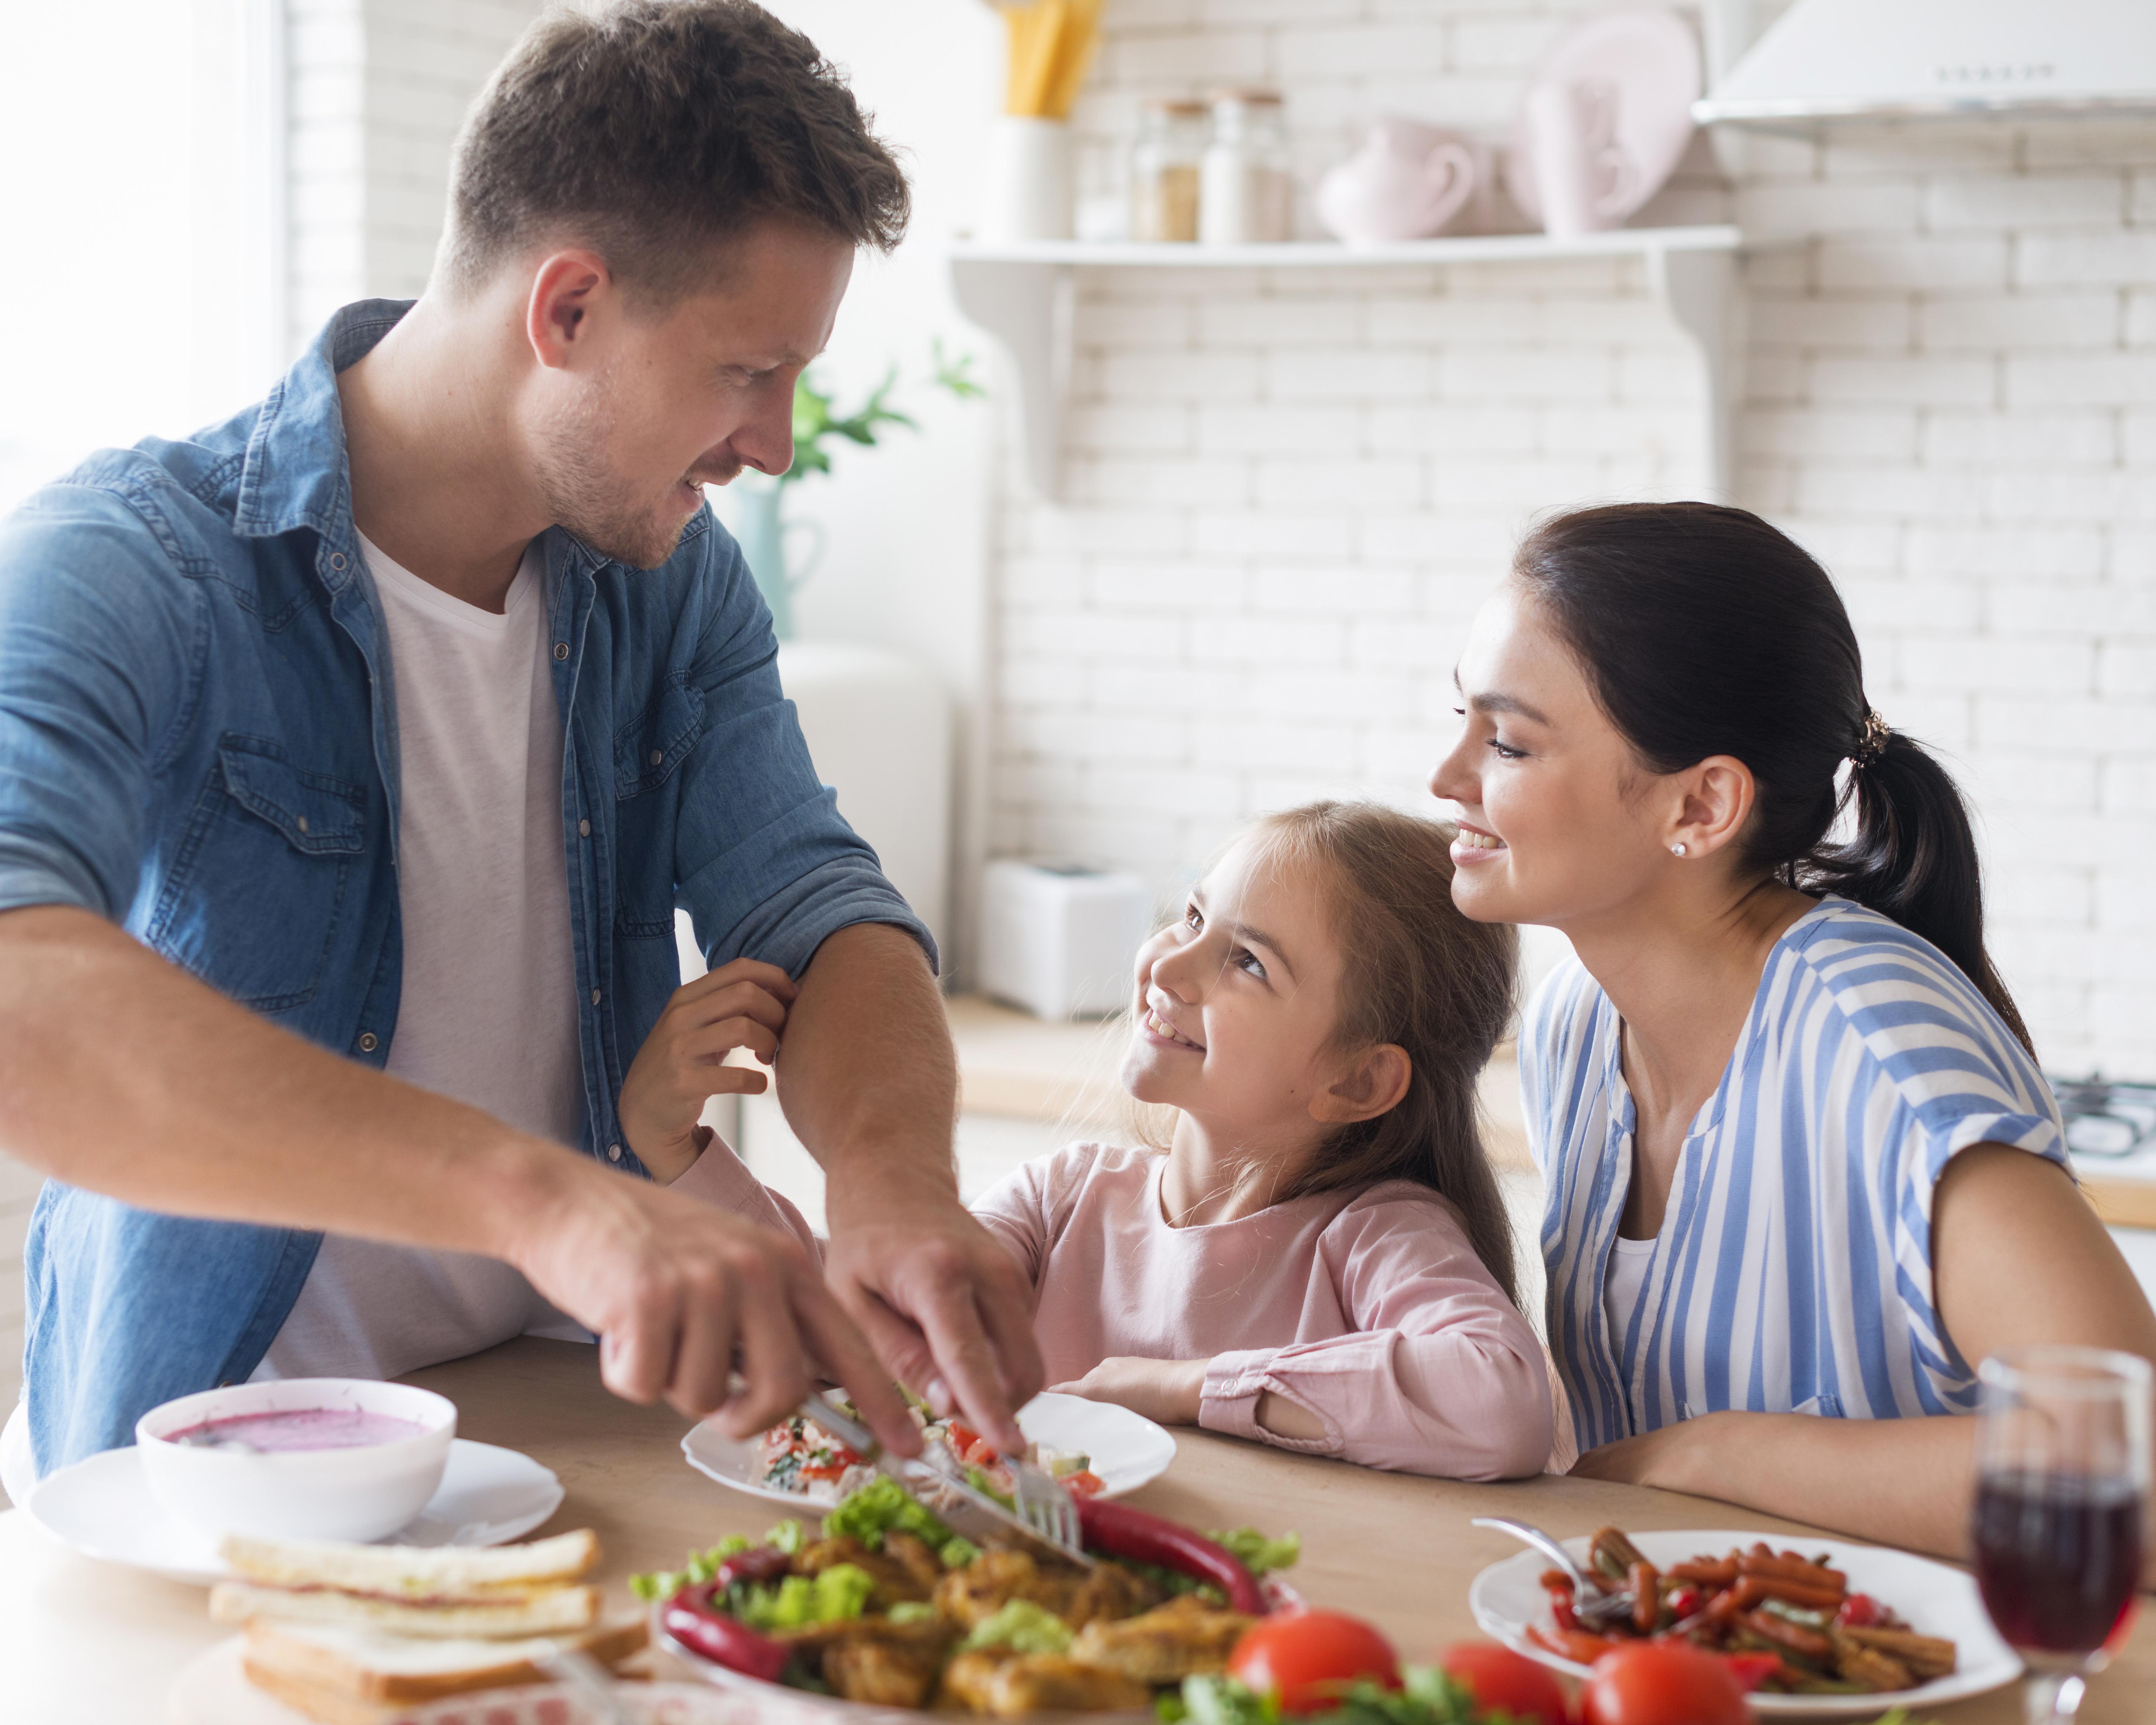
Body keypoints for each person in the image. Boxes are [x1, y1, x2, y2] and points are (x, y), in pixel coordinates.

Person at [0, 0, 1040, 1499]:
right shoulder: (132, 568)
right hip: (216, 1476)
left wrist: (891, 1187)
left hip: (552, 1439)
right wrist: (548, 1205)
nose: (780, 441)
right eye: (750, 371)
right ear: (566, 312)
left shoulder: (670, 580)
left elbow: (815, 907)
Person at [1431, 500, 2156, 1559]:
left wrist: (1712, 1455)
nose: (1447, 778)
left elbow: (2125, 1478)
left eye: (1504, 741)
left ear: (1700, 807)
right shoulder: (1575, 1034)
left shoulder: (1883, 1046)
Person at [966, 802, 1556, 1481]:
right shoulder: (1058, 1200)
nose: (1168, 969)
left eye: (1247, 962)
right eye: (1191, 918)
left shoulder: (1375, 1237)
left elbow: (1503, 1404)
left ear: (1359, 1080)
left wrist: (1184, 1390)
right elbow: (905, 1305)